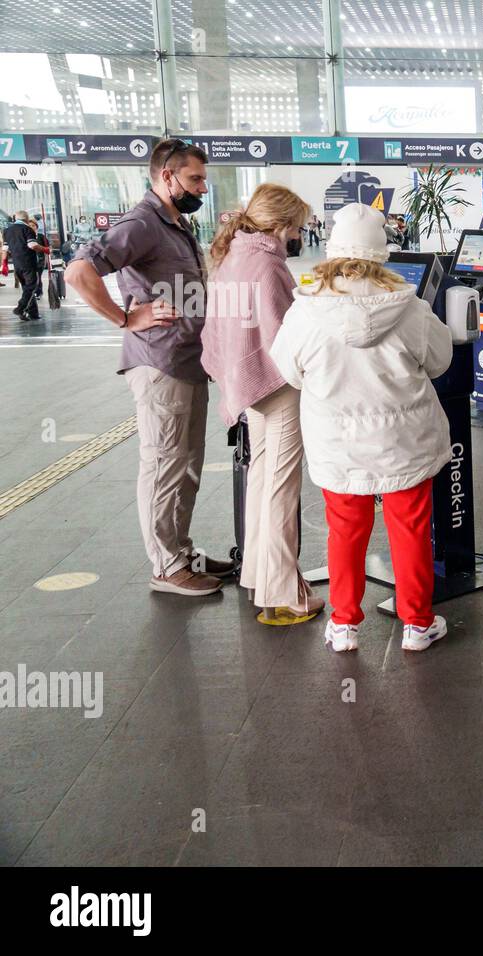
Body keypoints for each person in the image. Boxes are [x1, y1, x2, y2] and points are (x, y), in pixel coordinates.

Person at [270, 202, 453, 653]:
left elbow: (288, 373)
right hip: (403, 443)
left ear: (330, 253)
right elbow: (441, 361)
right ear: (381, 254)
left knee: (345, 531)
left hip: (337, 444)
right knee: (409, 530)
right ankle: (417, 625)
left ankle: (345, 624)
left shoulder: (306, 312)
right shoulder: (409, 309)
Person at [66, 138, 237, 596]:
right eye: (195, 178)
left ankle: (182, 553)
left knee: (186, 465)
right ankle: (166, 566)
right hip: (159, 361)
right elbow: (78, 271)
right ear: (167, 176)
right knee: (164, 464)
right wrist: (125, 318)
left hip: (186, 360)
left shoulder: (174, 223)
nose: (202, 187)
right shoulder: (142, 222)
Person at [201, 183, 322, 624]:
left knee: (261, 481)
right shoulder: (267, 264)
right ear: (282, 225)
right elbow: (281, 337)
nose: (300, 236)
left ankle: (259, 574)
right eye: (299, 228)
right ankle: (284, 590)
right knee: (281, 487)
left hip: (247, 383)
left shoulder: (233, 255)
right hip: (278, 385)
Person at [3, 211, 47, 321]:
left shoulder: (7, 230)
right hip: (28, 263)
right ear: (27, 219)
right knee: (32, 286)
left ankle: (33, 313)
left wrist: (4, 263)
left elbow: (5, 249)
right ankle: (20, 307)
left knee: (26, 288)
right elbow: (32, 245)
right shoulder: (27, 229)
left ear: (15, 218)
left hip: (17, 264)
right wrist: (45, 249)